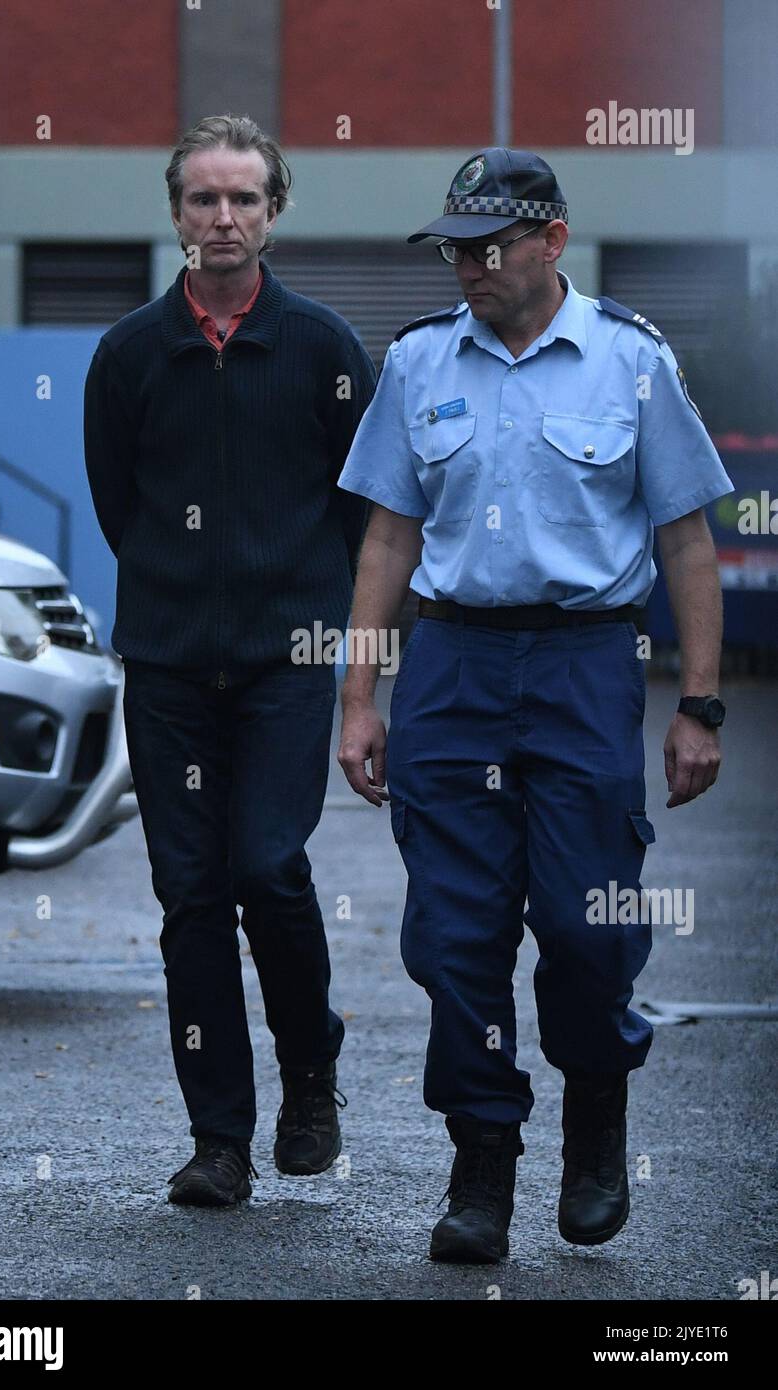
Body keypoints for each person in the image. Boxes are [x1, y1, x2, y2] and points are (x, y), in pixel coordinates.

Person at [336, 147, 733, 1263]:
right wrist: (358, 694)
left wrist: (698, 704)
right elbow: (385, 536)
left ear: (550, 241)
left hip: (581, 669)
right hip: (453, 670)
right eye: (453, 246)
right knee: (454, 940)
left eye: (486, 244)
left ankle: (595, 1109)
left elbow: (685, 539)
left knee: (583, 922)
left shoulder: (630, 362)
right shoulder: (418, 365)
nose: (465, 264)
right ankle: (481, 1165)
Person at [84, 114, 375, 1206]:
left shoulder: (324, 351)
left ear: (273, 210)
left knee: (266, 867)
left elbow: (361, 512)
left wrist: (302, 609)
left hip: (282, 662)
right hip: (165, 665)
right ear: (175, 214)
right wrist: (183, 591)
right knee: (190, 898)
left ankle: (312, 1070)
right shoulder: (127, 355)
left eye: (242, 198)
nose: (222, 217)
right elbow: (122, 507)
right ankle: (220, 1138)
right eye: (203, 199)